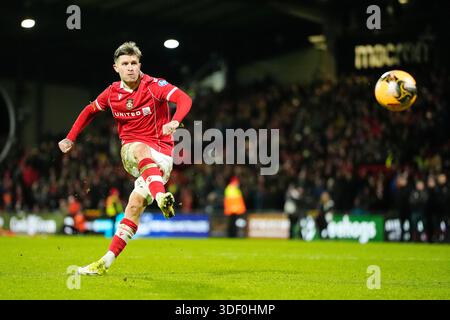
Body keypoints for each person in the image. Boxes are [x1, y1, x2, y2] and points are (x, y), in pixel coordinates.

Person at [58, 42, 192, 275]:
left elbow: (184, 100)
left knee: (134, 205)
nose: (130, 68)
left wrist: (174, 120)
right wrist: (71, 137)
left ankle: (104, 263)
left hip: (162, 157)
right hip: (132, 151)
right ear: (116, 68)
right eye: (125, 64)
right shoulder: (112, 93)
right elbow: (90, 111)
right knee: (140, 148)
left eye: (134, 63)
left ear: (140, 65)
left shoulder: (154, 86)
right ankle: (162, 197)